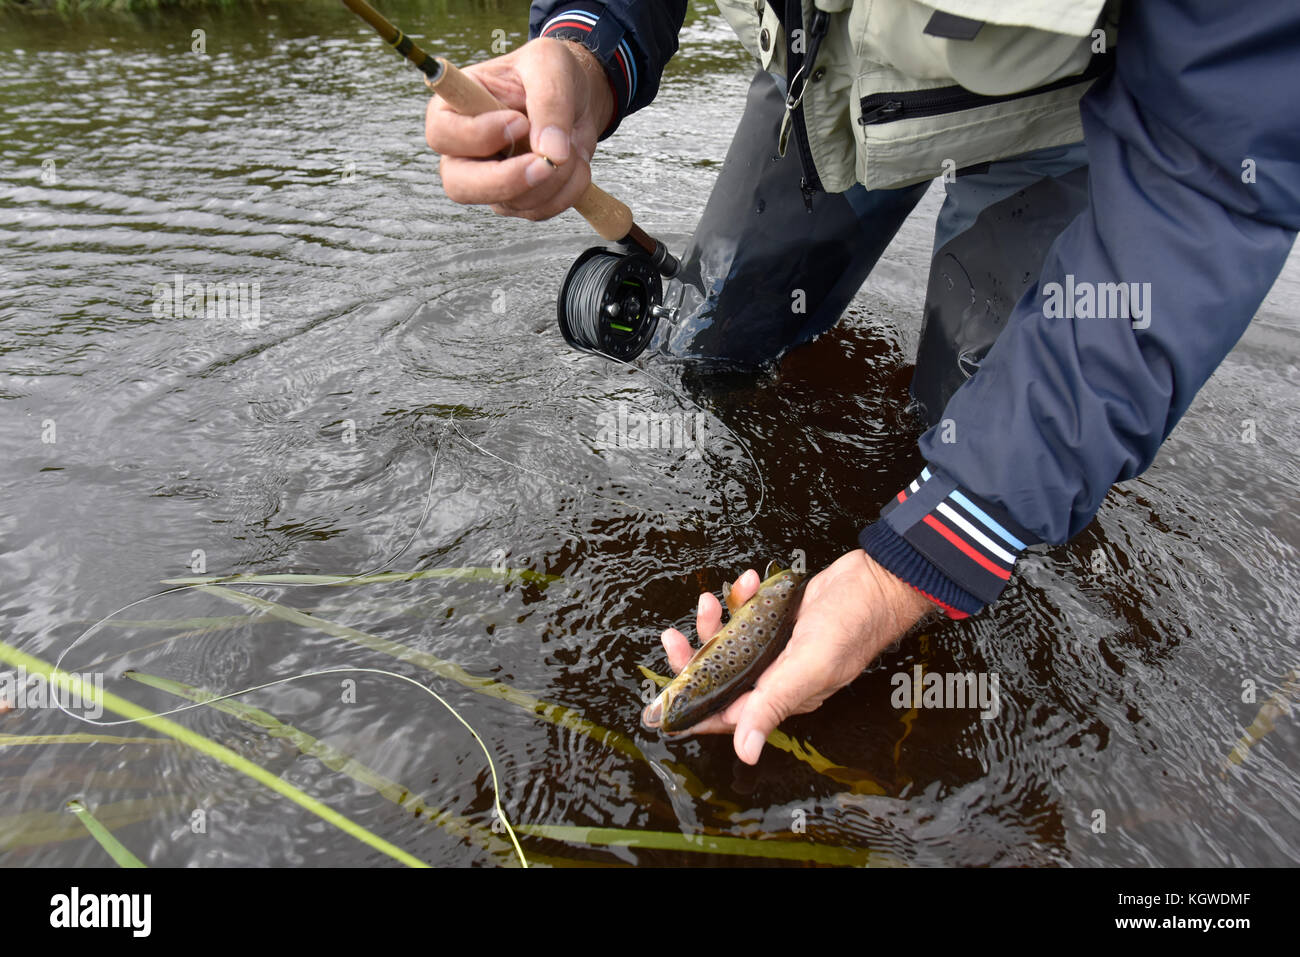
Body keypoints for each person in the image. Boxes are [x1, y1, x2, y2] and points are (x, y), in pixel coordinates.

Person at [425, 1, 1300, 765]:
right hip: (827, 78)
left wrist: (904, 576)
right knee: (706, 349)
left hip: (1069, 115)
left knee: (970, 454)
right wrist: (588, 48)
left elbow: (1214, 176)